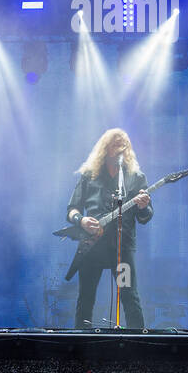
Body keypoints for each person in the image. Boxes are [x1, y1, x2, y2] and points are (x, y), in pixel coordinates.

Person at [65, 129, 152, 329]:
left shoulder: (136, 177)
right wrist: (82, 220)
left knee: (130, 296)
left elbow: (146, 216)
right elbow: (71, 209)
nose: (121, 148)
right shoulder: (89, 176)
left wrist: (143, 206)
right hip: (91, 246)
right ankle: (81, 348)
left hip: (122, 248)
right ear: (106, 148)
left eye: (124, 145)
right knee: (86, 298)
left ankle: (139, 349)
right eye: (116, 144)